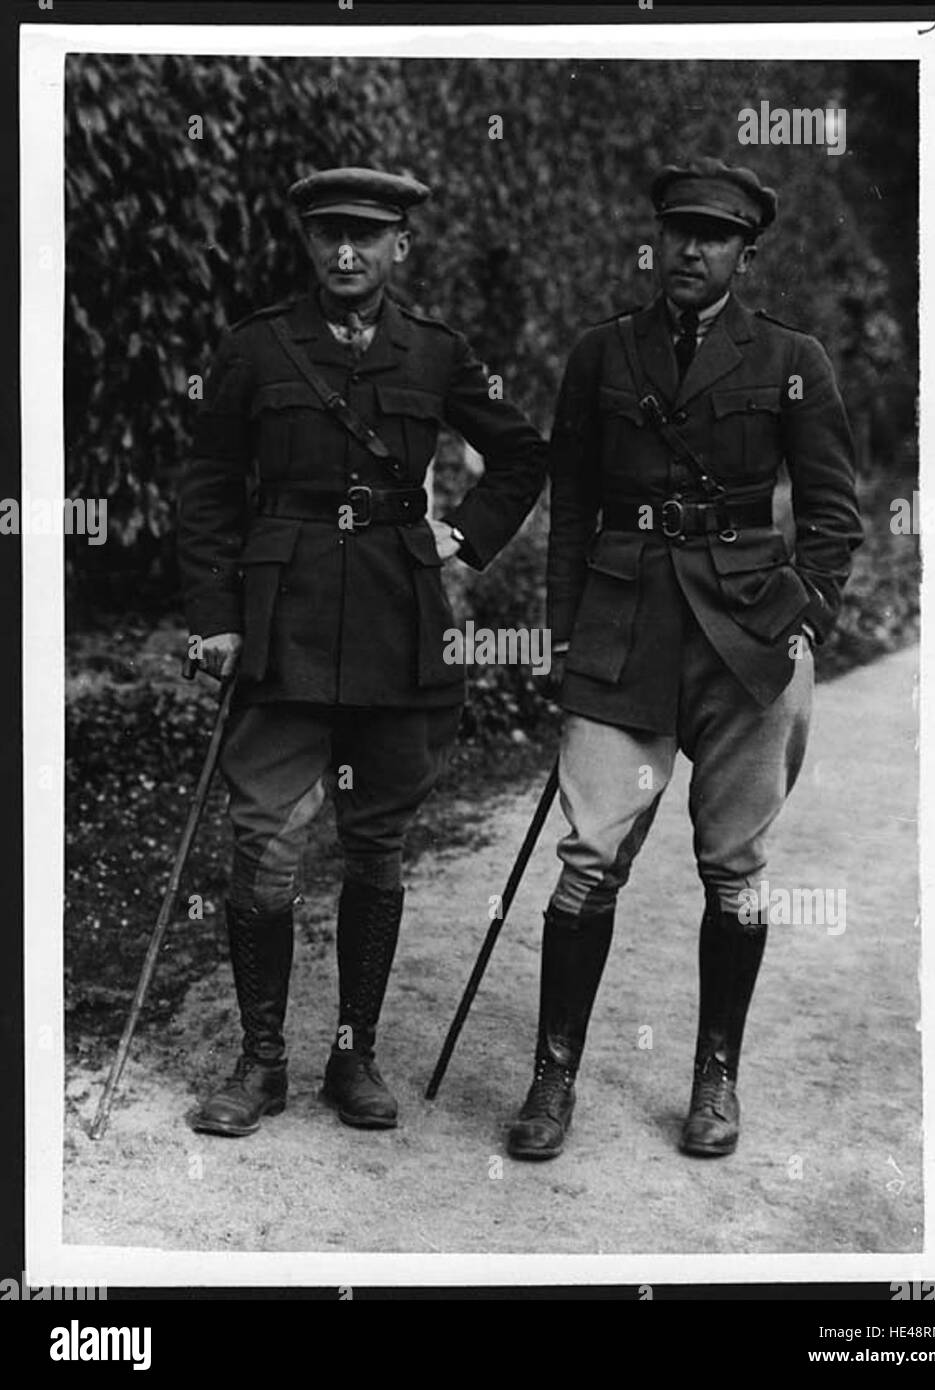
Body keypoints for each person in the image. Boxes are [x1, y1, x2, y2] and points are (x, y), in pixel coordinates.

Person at [507, 157, 863, 1161]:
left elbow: (834, 510)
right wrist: (565, 629)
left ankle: (715, 1078)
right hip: (622, 637)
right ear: (656, 238)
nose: (691, 250)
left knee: (737, 867)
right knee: (588, 857)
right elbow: (570, 503)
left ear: (746, 253)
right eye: (678, 231)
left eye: (714, 236)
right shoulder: (601, 355)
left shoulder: (792, 357)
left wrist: (812, 618)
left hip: (747, 641)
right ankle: (554, 1076)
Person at [178, 167, 546, 1137]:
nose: (348, 252)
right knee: (263, 841)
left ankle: (355, 1056)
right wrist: (215, 614)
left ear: (400, 247)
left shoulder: (434, 352)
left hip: (395, 617)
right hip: (279, 623)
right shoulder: (255, 349)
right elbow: (209, 486)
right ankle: (260, 1062)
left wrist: (460, 539)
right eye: (330, 233)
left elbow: (522, 454)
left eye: (368, 236)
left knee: (377, 844)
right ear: (306, 241)